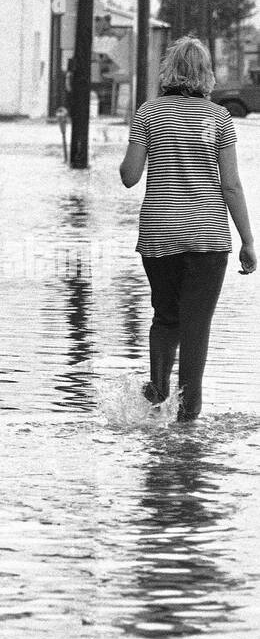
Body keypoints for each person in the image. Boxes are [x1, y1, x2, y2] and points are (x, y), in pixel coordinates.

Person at [119, 36, 256, 422]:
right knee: (196, 326)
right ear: (206, 73)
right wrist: (247, 241)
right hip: (208, 236)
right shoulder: (219, 118)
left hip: (159, 233)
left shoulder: (148, 113)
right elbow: (231, 184)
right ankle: (188, 421)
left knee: (165, 316)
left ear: (169, 70)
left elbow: (130, 176)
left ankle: (158, 395)